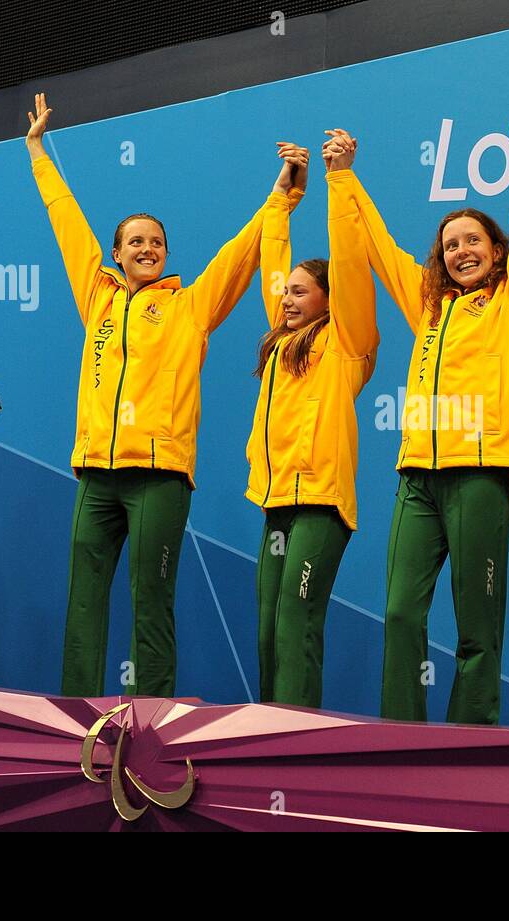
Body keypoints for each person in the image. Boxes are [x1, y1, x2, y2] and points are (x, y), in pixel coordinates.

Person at [25, 93, 303, 697]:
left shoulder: (188, 307)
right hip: (96, 475)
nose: (148, 249)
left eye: (157, 242)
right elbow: (67, 223)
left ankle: (149, 723)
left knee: (152, 602)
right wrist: (39, 152)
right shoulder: (97, 294)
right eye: (136, 242)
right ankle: (77, 722)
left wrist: (283, 193)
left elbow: (239, 253)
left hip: (159, 477)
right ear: (118, 252)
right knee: (83, 605)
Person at [323, 71, 509, 725]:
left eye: (473, 240)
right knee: (399, 612)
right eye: (450, 245)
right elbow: (374, 242)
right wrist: (343, 178)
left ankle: (469, 744)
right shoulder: (427, 305)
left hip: (482, 476)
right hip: (418, 481)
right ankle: (401, 738)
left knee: (478, 626)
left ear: (497, 250)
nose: (460, 251)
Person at [248, 139, 378, 708]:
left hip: (322, 503)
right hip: (278, 501)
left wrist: (336, 181)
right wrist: (284, 197)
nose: (287, 298)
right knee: (269, 630)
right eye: (287, 292)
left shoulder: (346, 342)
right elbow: (273, 267)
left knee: (296, 622)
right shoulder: (281, 346)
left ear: (329, 298)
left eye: (301, 292)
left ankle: (293, 743)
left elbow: (351, 262)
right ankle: (262, 739)